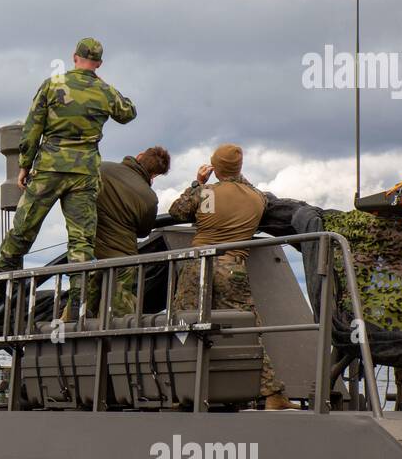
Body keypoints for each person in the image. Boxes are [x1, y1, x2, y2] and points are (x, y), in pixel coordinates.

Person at [0, 37, 137, 317]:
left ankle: (2, 274)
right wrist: (102, 83)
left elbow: (33, 127)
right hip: (84, 173)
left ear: (74, 57)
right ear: (99, 64)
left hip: (50, 167)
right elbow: (128, 113)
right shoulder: (104, 90)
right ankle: (79, 299)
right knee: (81, 239)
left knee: (25, 225)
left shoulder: (52, 84)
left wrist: (24, 165)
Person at [168, 144, 290, 410]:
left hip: (197, 265)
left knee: (184, 327)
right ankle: (272, 395)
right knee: (246, 330)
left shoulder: (206, 192)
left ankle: (185, 391)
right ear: (239, 167)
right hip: (233, 265)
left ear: (215, 167)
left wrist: (196, 182)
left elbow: (177, 210)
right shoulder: (257, 197)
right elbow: (246, 190)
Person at [87, 146, 170, 318]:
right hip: (122, 260)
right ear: (154, 175)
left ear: (139, 156)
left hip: (90, 253)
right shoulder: (149, 197)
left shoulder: (101, 168)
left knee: (81, 307)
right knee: (118, 316)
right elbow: (143, 231)